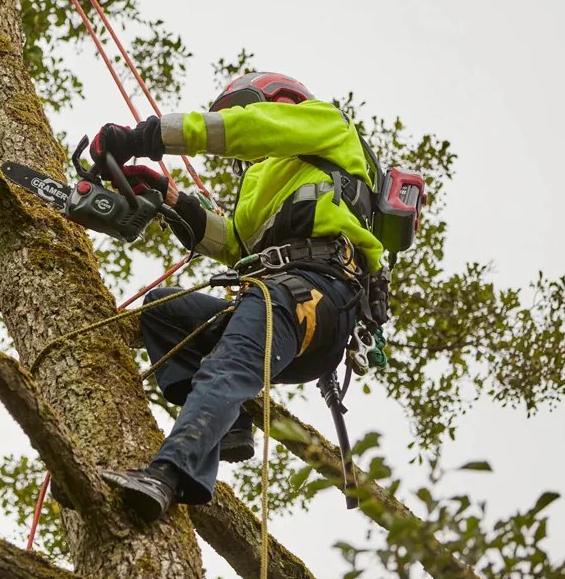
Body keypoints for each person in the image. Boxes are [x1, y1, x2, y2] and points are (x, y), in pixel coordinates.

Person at [87, 71, 384, 522]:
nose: (243, 124)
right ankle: (231, 422)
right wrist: (169, 199)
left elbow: (250, 128)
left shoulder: (325, 124)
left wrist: (146, 137)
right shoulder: (262, 188)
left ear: (277, 102)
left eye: (245, 110)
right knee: (165, 310)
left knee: (230, 360)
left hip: (317, 295)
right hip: (274, 303)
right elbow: (234, 245)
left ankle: (171, 474)